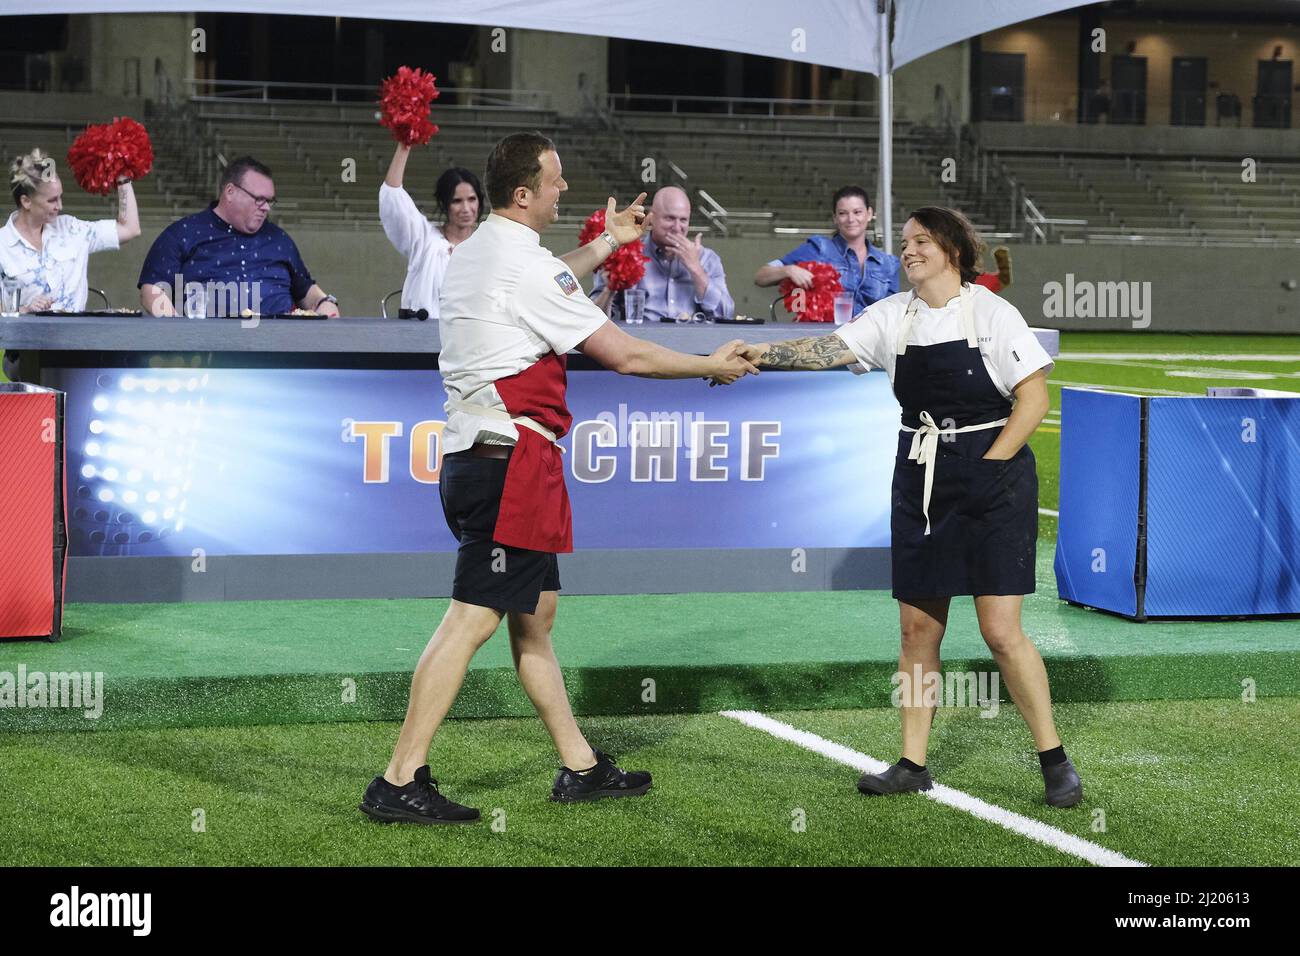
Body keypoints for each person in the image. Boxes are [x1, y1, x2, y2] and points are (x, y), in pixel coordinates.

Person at [358, 131, 757, 824]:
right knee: (470, 620)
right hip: (508, 462)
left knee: (534, 618)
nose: (564, 189)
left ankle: (578, 766)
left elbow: (550, 281)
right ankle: (398, 780)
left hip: (490, 457)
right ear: (524, 193)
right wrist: (709, 366)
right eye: (554, 180)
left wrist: (606, 244)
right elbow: (626, 355)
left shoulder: (483, 250)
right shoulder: (525, 266)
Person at [737, 206, 1082, 809]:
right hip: (921, 473)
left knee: (1001, 632)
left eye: (921, 241)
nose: (909, 252)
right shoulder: (892, 316)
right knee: (917, 629)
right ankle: (912, 762)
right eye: (904, 243)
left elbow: (1033, 400)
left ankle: (1054, 761)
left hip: (993, 475)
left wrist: (990, 467)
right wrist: (753, 356)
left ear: (952, 249)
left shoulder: (994, 314)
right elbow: (826, 349)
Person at [137, 156, 339, 317]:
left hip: (279, 347)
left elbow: (306, 290)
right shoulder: (182, 234)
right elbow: (152, 290)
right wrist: (179, 334)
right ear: (230, 192)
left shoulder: (280, 240)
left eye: (270, 201)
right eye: (259, 199)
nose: (266, 207)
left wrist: (324, 302)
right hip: (206, 349)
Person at [1, 148, 141, 380]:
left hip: (78, 354)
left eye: (61, 197)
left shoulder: (72, 228)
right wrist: (23, 310)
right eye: (52, 200)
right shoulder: (2, 245)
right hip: (26, 359)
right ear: (26, 201)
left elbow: (129, 229)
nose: (60, 206)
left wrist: (122, 178)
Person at [591, 185, 733, 322]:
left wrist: (696, 269)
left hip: (692, 341)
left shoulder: (708, 259)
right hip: (640, 341)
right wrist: (609, 289)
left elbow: (726, 314)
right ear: (652, 217)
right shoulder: (626, 254)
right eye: (669, 218)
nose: (677, 228)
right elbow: (593, 319)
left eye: (683, 220)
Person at [754, 185, 899, 315]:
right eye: (843, 213)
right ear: (835, 218)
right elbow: (761, 276)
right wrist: (789, 270)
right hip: (827, 339)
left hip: (872, 342)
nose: (850, 219)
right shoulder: (818, 248)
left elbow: (894, 313)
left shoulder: (888, 263)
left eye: (857, 212)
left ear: (869, 214)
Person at [380, 141, 484, 319]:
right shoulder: (425, 240)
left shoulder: (489, 246)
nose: (466, 208)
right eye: (457, 201)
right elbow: (393, 198)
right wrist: (404, 145)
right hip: (421, 341)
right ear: (445, 204)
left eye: (472, 199)